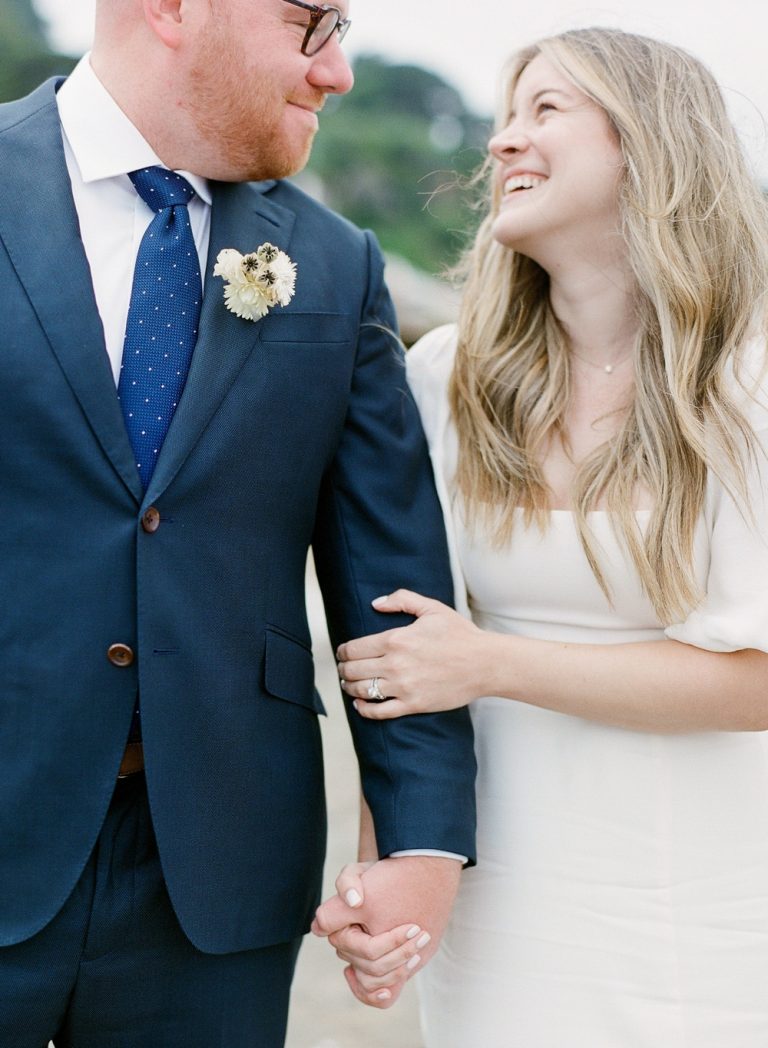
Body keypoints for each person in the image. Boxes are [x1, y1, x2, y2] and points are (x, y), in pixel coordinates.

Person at [0, 1, 477, 1045]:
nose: (339, 70)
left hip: (216, 879)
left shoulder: (339, 265)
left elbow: (389, 586)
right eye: (312, 22)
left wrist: (422, 840)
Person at [316, 27, 768, 1047]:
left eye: (546, 110)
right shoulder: (449, 381)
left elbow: (758, 680)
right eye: (504, 118)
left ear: (648, 142)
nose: (504, 143)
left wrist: (490, 661)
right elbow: (405, 652)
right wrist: (385, 864)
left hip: (711, 906)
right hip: (507, 909)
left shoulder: (748, 383)